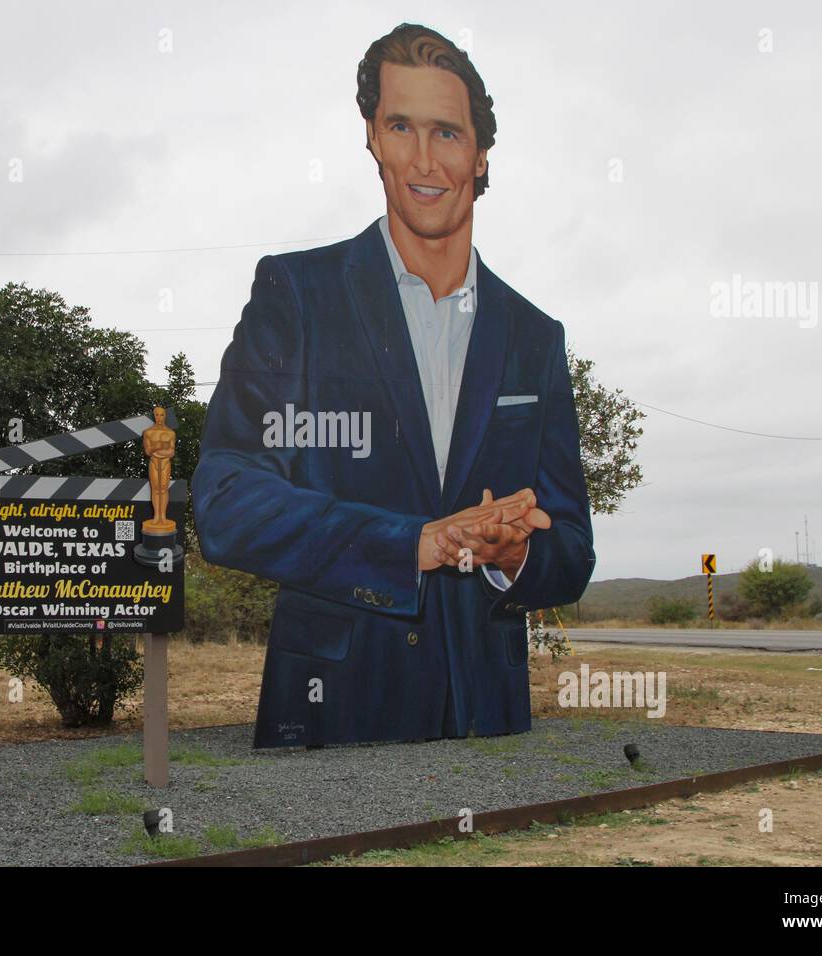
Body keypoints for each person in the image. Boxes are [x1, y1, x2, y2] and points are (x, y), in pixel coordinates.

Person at [193, 22, 595, 748]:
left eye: (447, 133)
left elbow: (571, 548)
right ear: (372, 137)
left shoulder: (536, 335)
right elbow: (227, 501)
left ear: (480, 154)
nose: (423, 159)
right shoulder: (297, 294)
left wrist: (512, 555)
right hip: (333, 710)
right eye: (401, 126)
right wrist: (414, 543)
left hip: (486, 717)